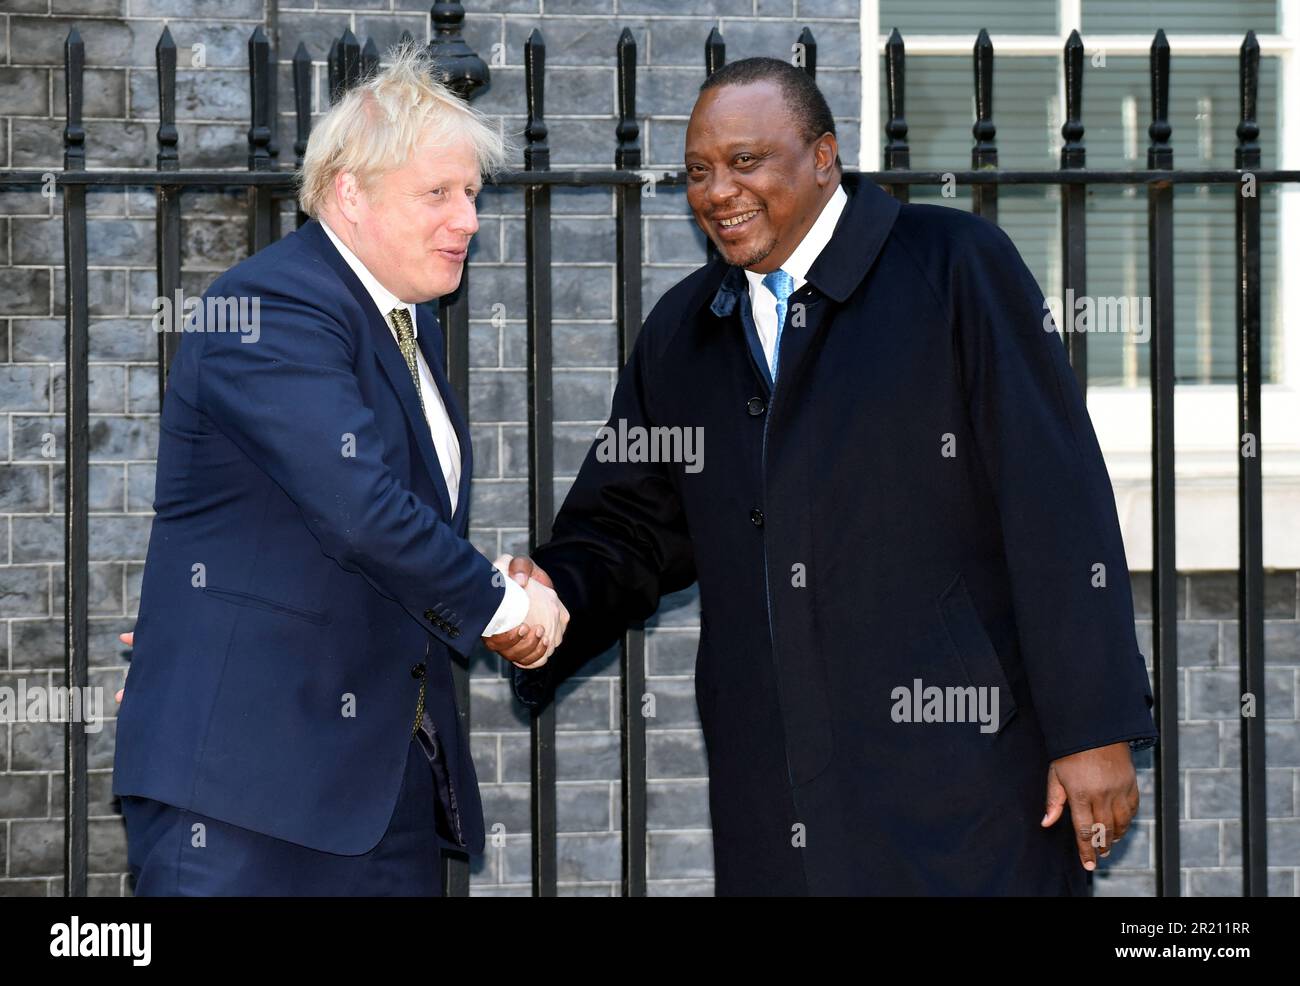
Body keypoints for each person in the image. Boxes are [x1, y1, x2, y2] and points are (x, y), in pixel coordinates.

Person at [490, 57, 1158, 895]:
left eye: (745, 161)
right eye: (699, 170)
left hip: (966, 776)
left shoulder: (955, 267)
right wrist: (547, 598)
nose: (716, 190)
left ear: (823, 157)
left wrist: (1093, 725)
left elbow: (1056, 502)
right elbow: (626, 529)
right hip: (774, 793)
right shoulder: (685, 332)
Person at [112, 45, 566, 896]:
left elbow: (380, 525)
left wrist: (489, 576)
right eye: (438, 193)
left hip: (378, 791)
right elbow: (360, 511)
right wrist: (506, 608)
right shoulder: (276, 307)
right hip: (247, 796)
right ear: (349, 193)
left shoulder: (404, 323)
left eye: (472, 193)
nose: (467, 219)